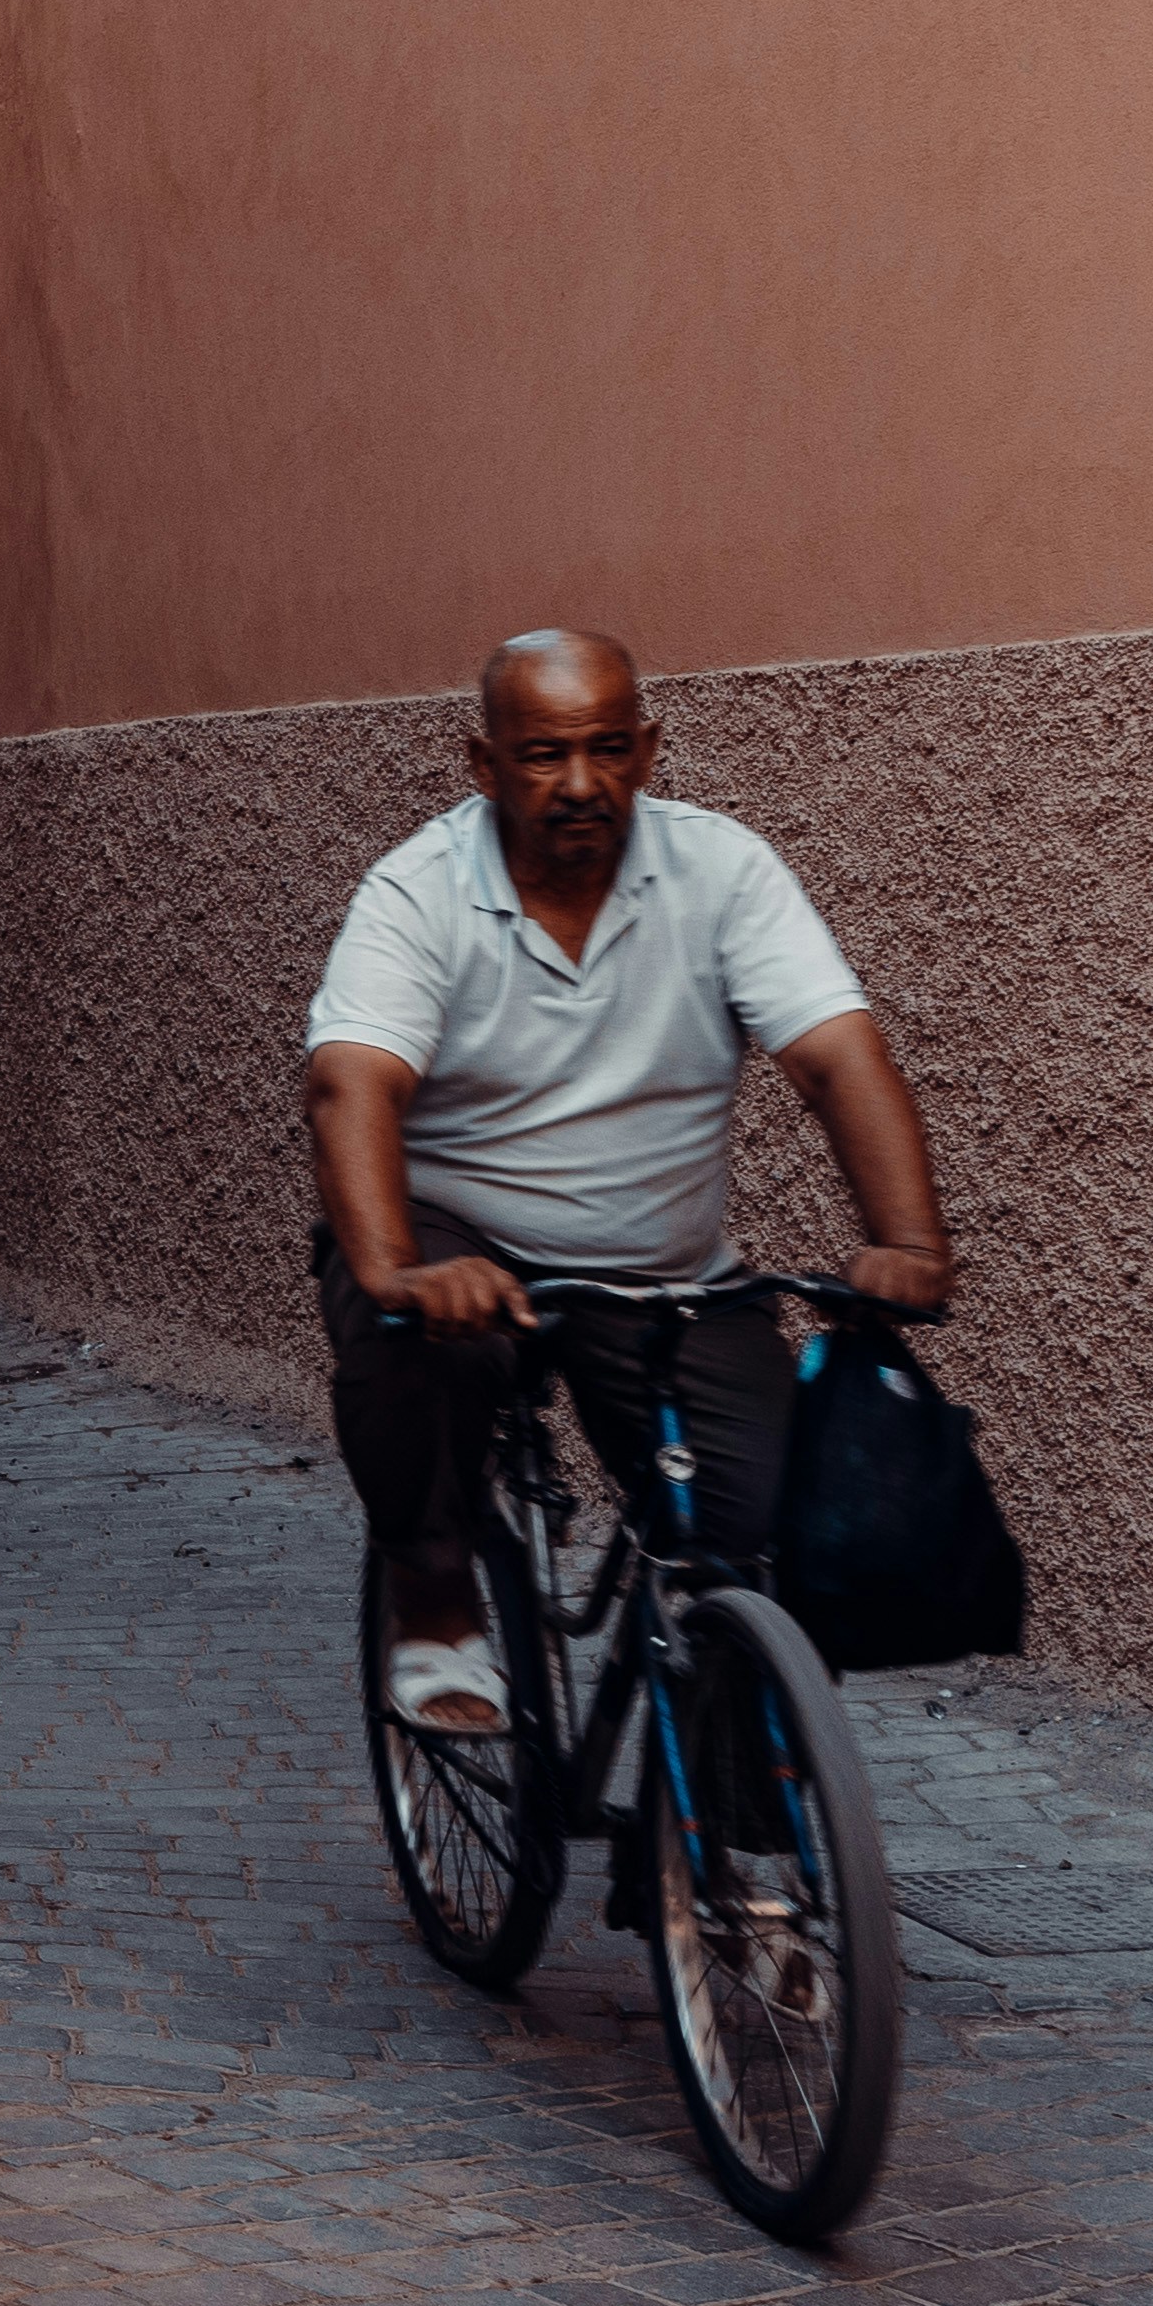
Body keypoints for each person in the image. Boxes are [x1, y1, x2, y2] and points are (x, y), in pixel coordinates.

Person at [306, 630, 954, 1732]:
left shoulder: (722, 872)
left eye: (608, 750)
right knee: (419, 1355)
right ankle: (431, 1592)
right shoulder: (420, 892)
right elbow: (350, 1087)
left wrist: (909, 1239)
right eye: (544, 755)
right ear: (484, 763)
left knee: (762, 1542)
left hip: (662, 1272)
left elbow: (836, 1055)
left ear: (649, 751)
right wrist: (396, 1271)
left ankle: (740, 1874)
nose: (578, 784)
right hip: (461, 1241)